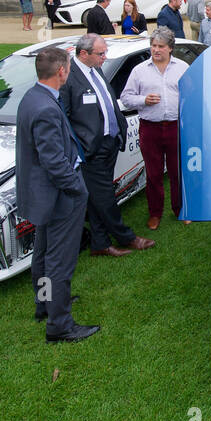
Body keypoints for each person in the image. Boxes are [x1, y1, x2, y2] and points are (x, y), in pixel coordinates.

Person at [16, 46, 97, 342]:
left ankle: (45, 305)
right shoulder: (47, 108)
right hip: (59, 196)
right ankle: (60, 325)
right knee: (59, 261)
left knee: (43, 254)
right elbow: (53, 161)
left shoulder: (32, 97)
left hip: (42, 195)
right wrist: (77, 189)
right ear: (61, 71)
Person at [60, 34, 154, 258]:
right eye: (101, 53)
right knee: (105, 197)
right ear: (83, 54)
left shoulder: (95, 68)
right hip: (91, 150)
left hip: (110, 142)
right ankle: (126, 237)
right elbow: (64, 117)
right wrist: (81, 146)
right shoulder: (69, 78)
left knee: (96, 197)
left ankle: (100, 243)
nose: (105, 57)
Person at [119, 28, 189, 231]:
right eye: (153, 46)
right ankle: (155, 213)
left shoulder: (182, 67)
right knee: (154, 173)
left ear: (170, 48)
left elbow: (192, 94)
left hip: (176, 127)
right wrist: (143, 100)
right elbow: (126, 98)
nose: (156, 50)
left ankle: (180, 209)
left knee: (177, 172)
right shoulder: (139, 70)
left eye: (160, 46)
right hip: (150, 128)